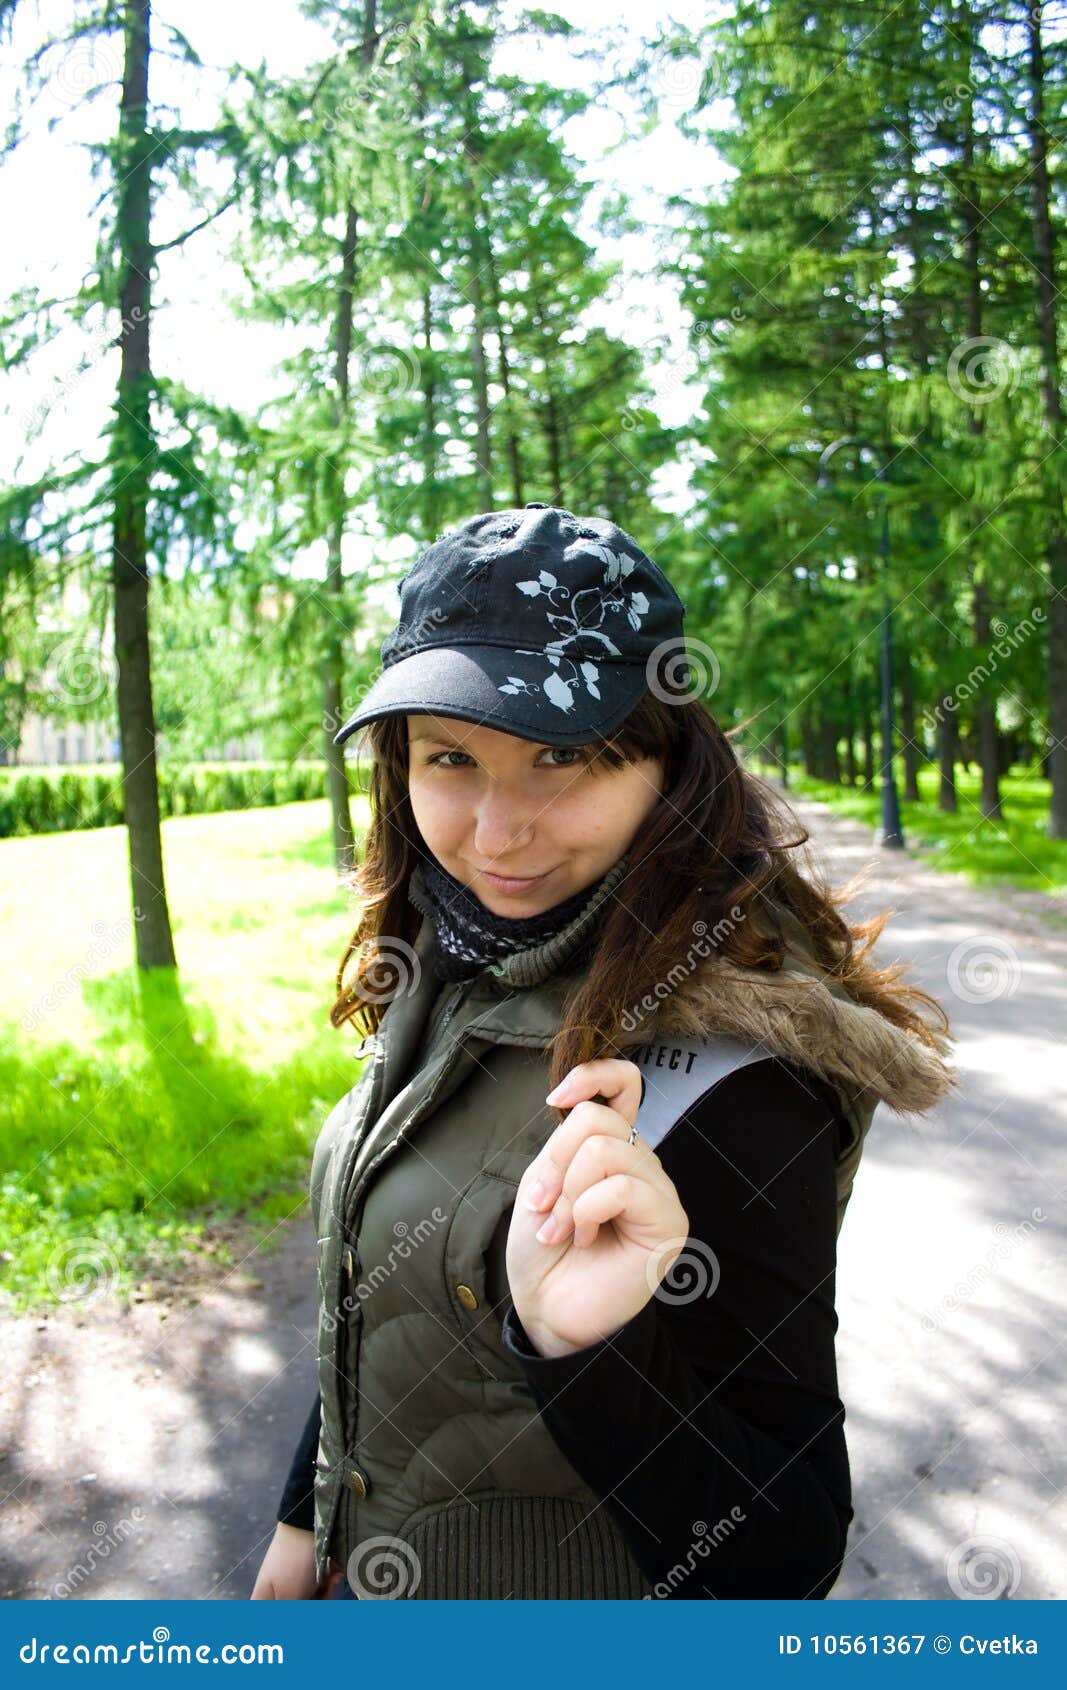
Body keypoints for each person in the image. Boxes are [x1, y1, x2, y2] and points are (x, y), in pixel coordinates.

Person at [250, 502, 956, 1601]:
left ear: (665, 763)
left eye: (561, 755)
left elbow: (789, 1550)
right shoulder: (454, 967)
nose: (495, 831)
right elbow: (387, 1302)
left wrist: (584, 1347)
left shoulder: (730, 1076)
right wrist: (298, 1543)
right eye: (450, 758)